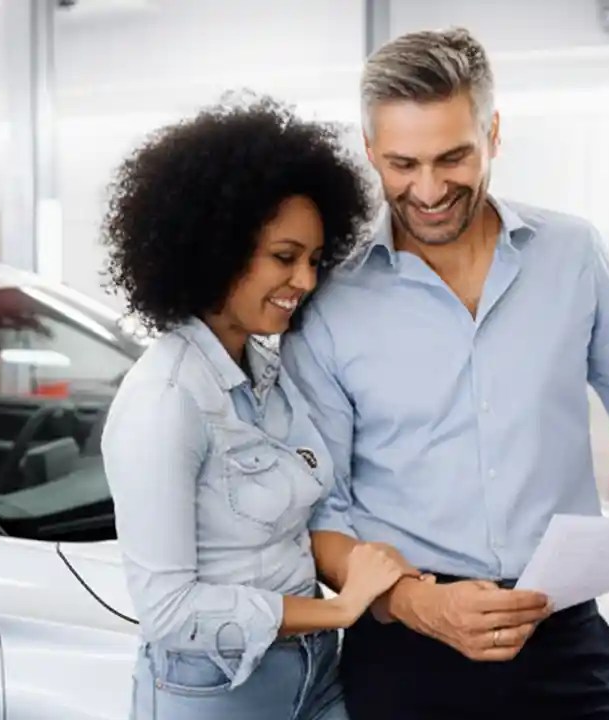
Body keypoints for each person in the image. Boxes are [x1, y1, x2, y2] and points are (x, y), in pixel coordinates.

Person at [280, 28, 609, 719]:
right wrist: (416, 602)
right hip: (405, 647)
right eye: (401, 164)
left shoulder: (571, 254)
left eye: (453, 157)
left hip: (561, 633)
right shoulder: (331, 299)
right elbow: (324, 508)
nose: (427, 189)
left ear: (494, 133)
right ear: (369, 152)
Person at [99, 96, 417, 720]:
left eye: (314, 260)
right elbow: (167, 611)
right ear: (216, 247)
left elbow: (314, 506)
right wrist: (342, 608)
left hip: (316, 673)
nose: (305, 280)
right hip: (218, 692)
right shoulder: (165, 401)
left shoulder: (269, 371)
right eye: (284, 256)